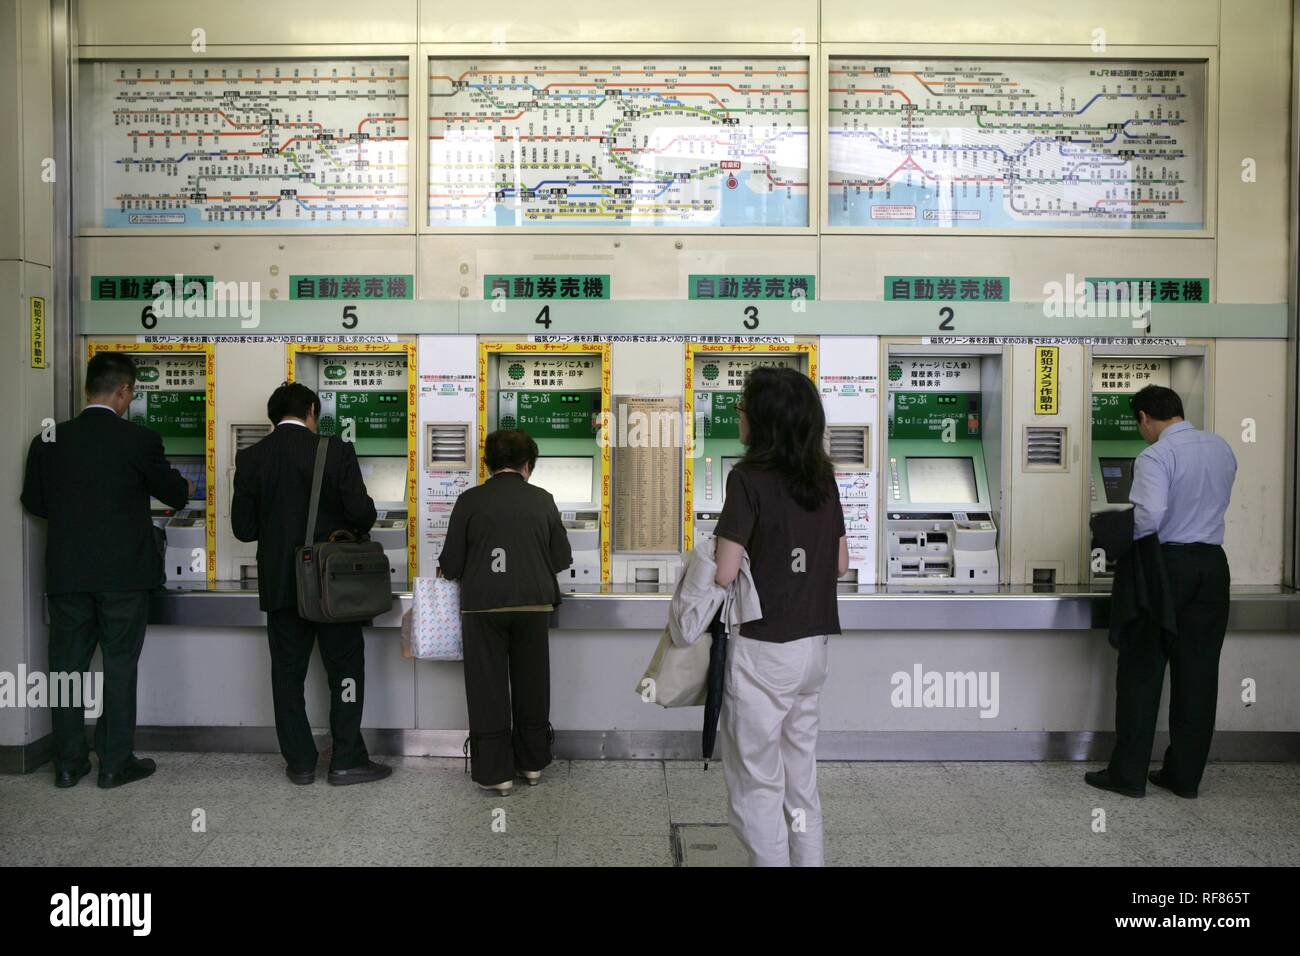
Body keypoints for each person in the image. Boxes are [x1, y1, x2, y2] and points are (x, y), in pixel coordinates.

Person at [21, 351, 192, 789]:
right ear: (124, 391)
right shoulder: (139, 440)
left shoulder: (48, 440)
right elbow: (174, 495)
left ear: (87, 390)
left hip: (67, 574)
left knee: (65, 669)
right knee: (119, 665)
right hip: (123, 576)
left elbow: (35, 502)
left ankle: (67, 764)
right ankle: (115, 763)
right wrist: (185, 486)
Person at [712, 366, 849, 866]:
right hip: (813, 649)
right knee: (800, 777)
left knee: (757, 782)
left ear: (764, 419)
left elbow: (725, 573)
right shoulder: (823, 478)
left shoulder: (746, 478)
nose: (739, 416)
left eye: (743, 407)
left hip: (764, 649)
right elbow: (840, 563)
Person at [231, 381, 392, 787]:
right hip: (331, 587)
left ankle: (301, 763)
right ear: (313, 411)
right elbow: (363, 514)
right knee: (346, 673)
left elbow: (244, 528)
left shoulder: (250, 458)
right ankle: (347, 759)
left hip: (282, 586)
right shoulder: (335, 451)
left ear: (273, 416)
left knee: (287, 676)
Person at [1086, 384, 1237, 799]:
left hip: (1164, 569)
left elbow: (1149, 519)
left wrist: (1107, 532)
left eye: (1140, 425)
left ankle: (1128, 774)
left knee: (1141, 670)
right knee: (1199, 674)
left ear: (1144, 418)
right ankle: (1183, 777)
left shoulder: (1156, 455)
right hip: (1211, 567)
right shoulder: (1221, 448)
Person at [438, 429, 572, 794]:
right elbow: (562, 559)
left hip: (482, 607)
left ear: (488, 463)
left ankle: (497, 773)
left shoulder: (469, 501)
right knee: (532, 683)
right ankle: (531, 764)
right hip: (533, 605)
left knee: (487, 688)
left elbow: (450, 564)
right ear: (528, 464)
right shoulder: (543, 500)